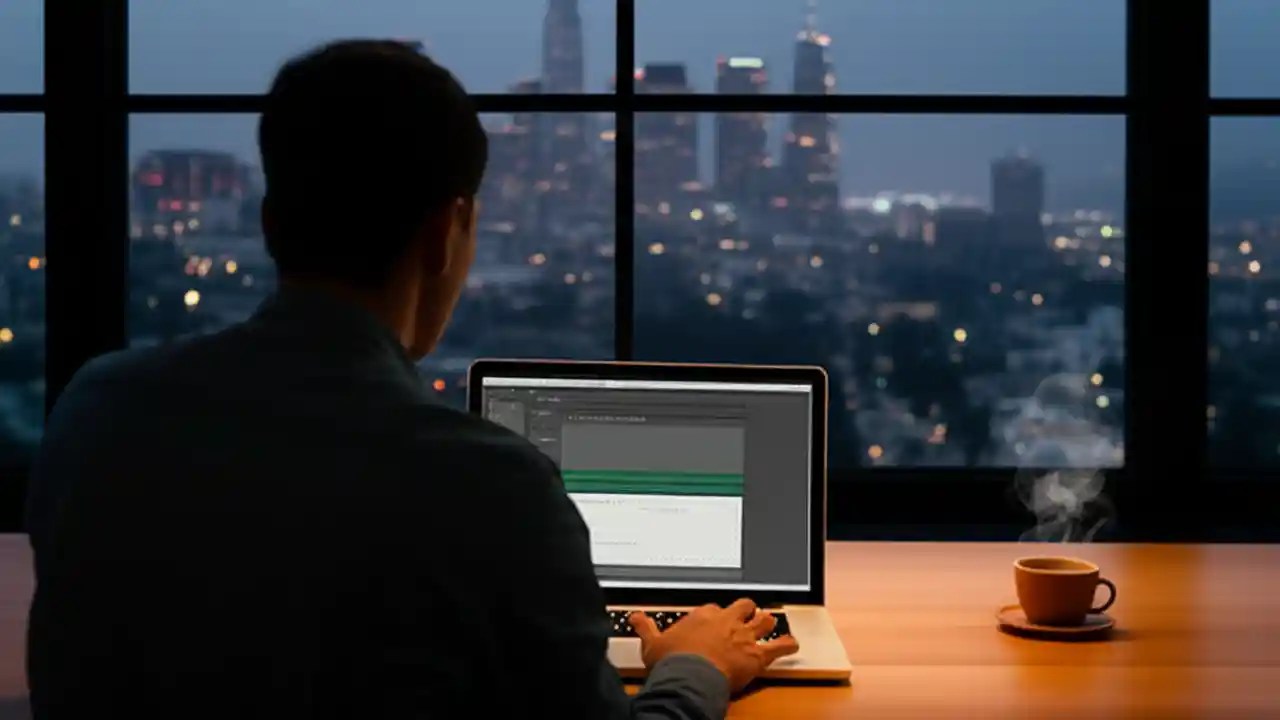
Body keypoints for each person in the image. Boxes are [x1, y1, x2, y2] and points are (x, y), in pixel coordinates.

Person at [24, 40, 798, 719]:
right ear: (444, 234)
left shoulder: (97, 409)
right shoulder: (490, 486)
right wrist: (696, 667)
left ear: (269, 222)